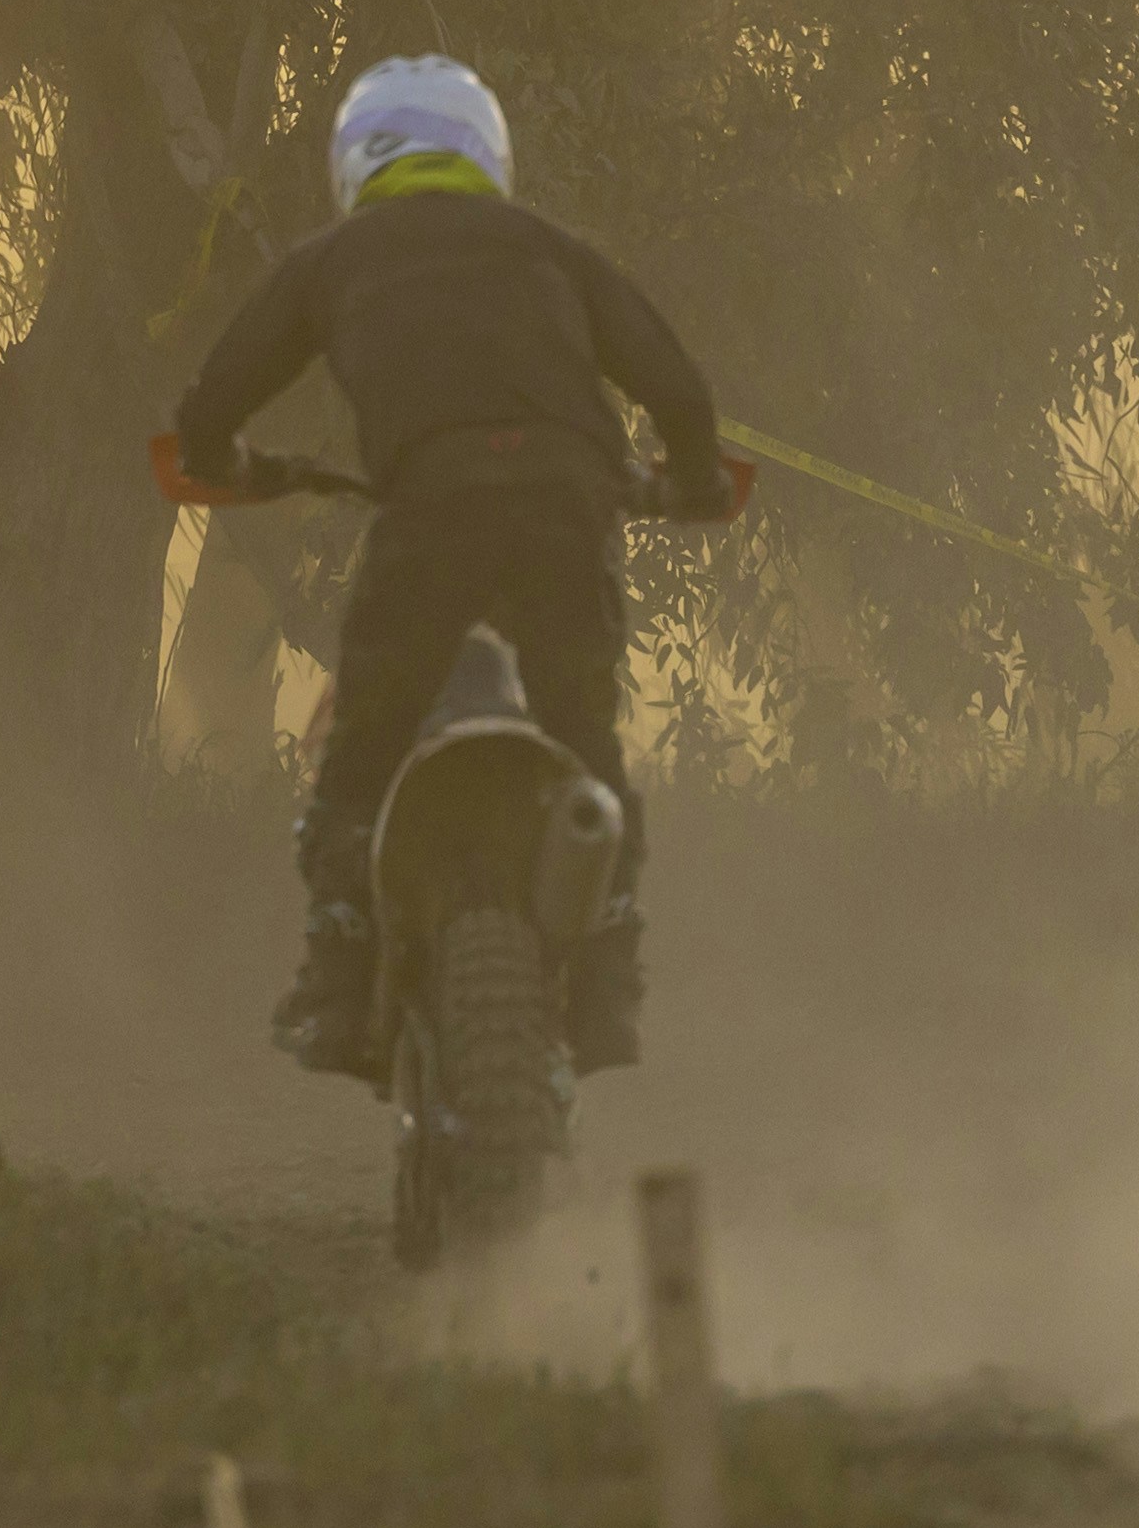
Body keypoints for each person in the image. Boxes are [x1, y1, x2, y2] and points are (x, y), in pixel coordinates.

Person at [165, 55, 724, 1077]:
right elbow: (681, 393)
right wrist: (686, 484)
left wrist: (223, 465)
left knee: (364, 751)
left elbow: (210, 405)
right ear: (485, 154)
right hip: (568, 509)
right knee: (584, 738)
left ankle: (337, 981)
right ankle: (607, 980)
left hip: (432, 513)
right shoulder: (550, 247)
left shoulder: (330, 260)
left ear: (355, 164)